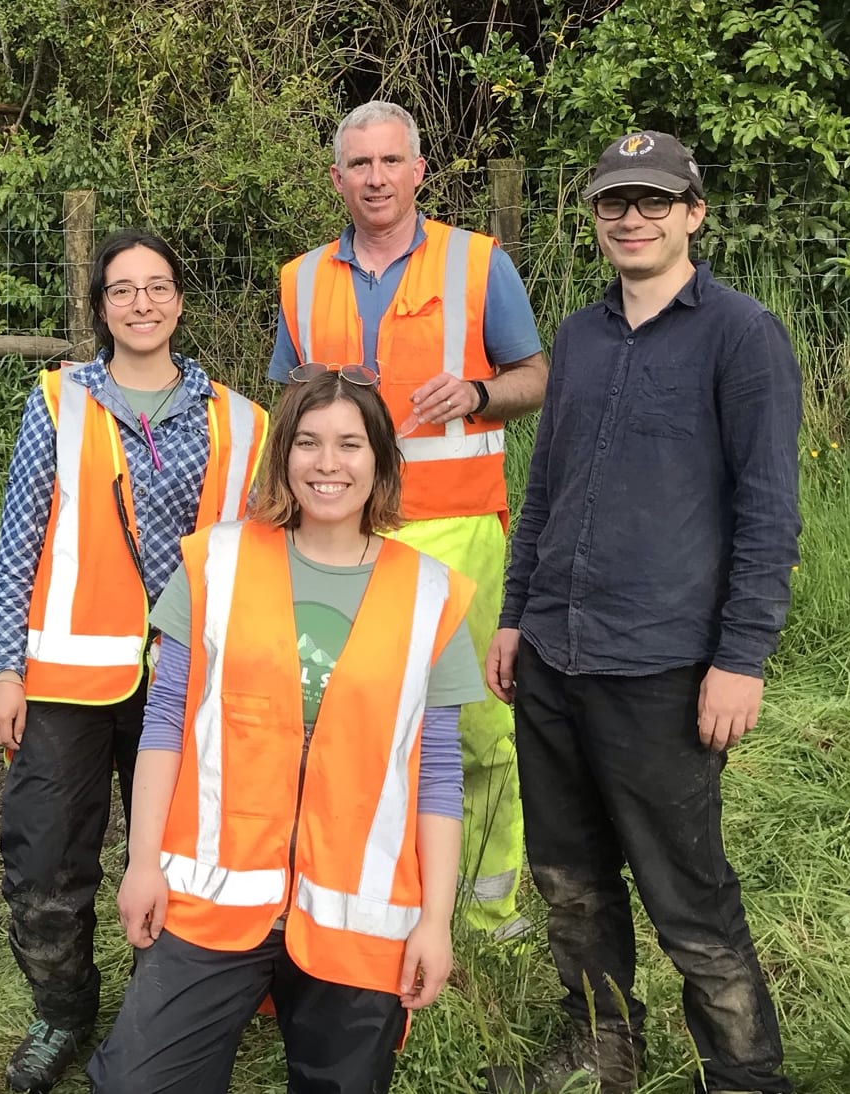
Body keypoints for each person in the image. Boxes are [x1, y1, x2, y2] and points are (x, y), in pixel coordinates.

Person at [482, 131, 800, 1094]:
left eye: (652, 201)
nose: (630, 217)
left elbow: (767, 512)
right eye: (613, 202)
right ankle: (603, 1046)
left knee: (687, 894)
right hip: (551, 657)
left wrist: (739, 657)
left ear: (692, 214)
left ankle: (745, 1077)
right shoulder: (576, 337)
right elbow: (544, 489)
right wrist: (514, 615)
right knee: (568, 879)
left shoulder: (741, 336)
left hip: (660, 667)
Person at [86, 366, 479, 1093]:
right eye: (307, 443)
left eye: (349, 445)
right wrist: (141, 862)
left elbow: (438, 776)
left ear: (381, 461)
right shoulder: (214, 563)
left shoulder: (432, 596)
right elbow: (165, 725)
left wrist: (435, 922)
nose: (327, 464)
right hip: (210, 902)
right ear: (283, 458)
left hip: (356, 919)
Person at [0, 228, 270, 1093]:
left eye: (157, 287)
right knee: (45, 860)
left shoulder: (242, 420)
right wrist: (3, 667)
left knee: (181, 855)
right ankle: (61, 1014)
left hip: (189, 679)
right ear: (99, 306)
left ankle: (162, 1010)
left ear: (179, 301)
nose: (141, 303)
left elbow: (258, 553)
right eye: (122, 289)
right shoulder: (57, 401)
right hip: (66, 678)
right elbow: (18, 540)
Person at [270, 100, 547, 935]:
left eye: (391, 162)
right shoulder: (301, 278)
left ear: (419, 171)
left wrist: (477, 393)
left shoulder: (476, 263)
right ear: (336, 179)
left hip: (456, 528)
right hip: (336, 537)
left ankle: (488, 911)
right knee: (342, 721)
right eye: (359, 165)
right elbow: (287, 397)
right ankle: (364, 893)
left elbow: (536, 376)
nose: (376, 178)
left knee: (474, 725)